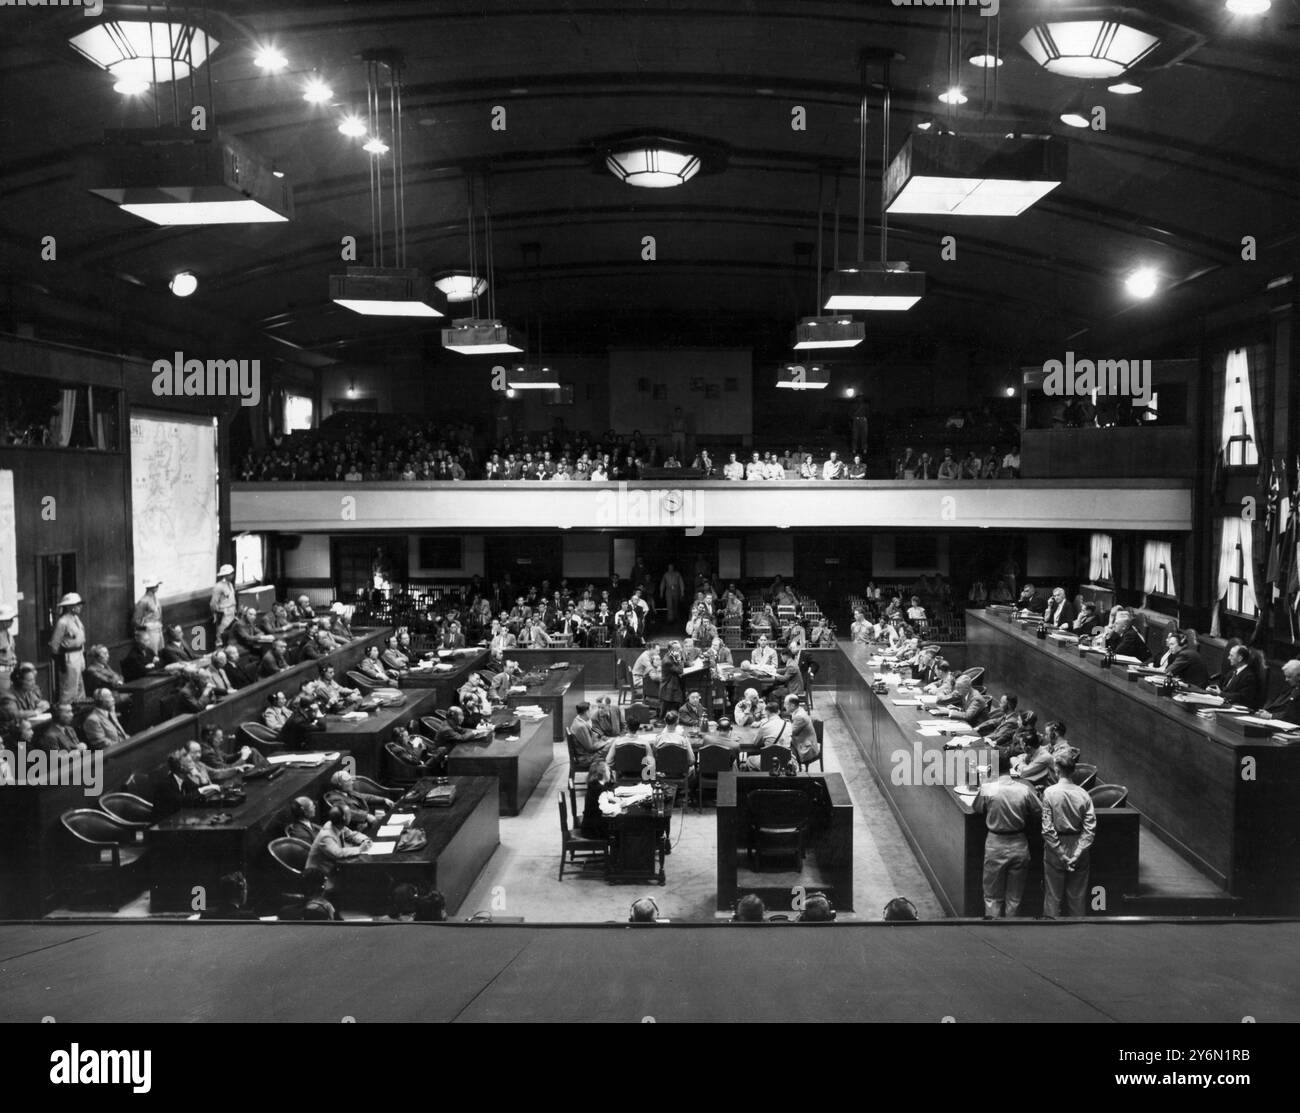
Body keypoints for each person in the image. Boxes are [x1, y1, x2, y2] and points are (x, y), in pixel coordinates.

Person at [972, 763, 1043, 918]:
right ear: (1010, 769)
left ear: (993, 769)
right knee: (1015, 898)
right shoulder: (1024, 790)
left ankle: (993, 933)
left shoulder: (989, 788)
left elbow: (977, 808)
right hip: (1019, 843)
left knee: (992, 897)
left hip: (995, 844)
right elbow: (1039, 811)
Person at [1040, 748, 1096, 918]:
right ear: (1073, 771)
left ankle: (1050, 936)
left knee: (1053, 896)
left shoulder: (1049, 793)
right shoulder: (1084, 795)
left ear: (1056, 770)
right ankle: (1079, 936)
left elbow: (1047, 828)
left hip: (1056, 847)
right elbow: (1090, 828)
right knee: (1078, 897)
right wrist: (1078, 852)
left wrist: (1061, 854)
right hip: (1079, 845)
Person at [305, 805, 374, 879]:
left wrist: (365, 839)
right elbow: (338, 853)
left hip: (332, 867)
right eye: (349, 813)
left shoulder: (337, 825)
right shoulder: (326, 836)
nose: (351, 815)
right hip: (318, 875)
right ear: (344, 817)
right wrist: (360, 849)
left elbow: (353, 834)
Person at [48, 592, 86, 703]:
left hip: (78, 654)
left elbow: (80, 638)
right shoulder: (63, 622)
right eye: (77, 605)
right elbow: (55, 644)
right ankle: (66, 711)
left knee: (79, 686)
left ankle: (79, 710)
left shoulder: (76, 619)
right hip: (68, 656)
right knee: (69, 688)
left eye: (80, 604)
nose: (80, 607)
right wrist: (61, 662)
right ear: (70, 606)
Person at [1208, 643, 1262, 707]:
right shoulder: (1232, 671)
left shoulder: (1249, 676)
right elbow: (1222, 687)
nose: (1228, 658)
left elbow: (1241, 697)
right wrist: (1212, 689)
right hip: (1223, 703)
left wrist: (1221, 694)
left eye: (1231, 655)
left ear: (1240, 658)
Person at [582, 759, 615, 839]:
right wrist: (620, 805)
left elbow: (601, 797)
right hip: (594, 831)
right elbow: (607, 810)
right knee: (620, 829)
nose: (610, 772)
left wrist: (610, 797)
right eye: (608, 770)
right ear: (603, 773)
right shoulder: (600, 789)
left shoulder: (593, 785)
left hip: (588, 826)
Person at [569, 701, 607, 771]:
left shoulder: (578, 719)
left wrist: (598, 738)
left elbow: (590, 736)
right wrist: (604, 743)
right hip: (585, 758)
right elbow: (590, 748)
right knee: (612, 752)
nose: (592, 712)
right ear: (586, 712)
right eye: (591, 710)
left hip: (585, 754)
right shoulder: (581, 726)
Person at [132, 577, 165, 653]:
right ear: (150, 587)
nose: (157, 587)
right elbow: (136, 619)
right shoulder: (143, 601)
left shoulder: (155, 598)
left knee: (160, 651)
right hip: (150, 631)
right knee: (153, 652)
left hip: (158, 628)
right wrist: (146, 628)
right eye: (156, 585)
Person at [785, 694, 819, 764]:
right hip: (802, 742)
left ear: (792, 706)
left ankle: (792, 770)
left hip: (807, 749)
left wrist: (782, 725)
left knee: (782, 750)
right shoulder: (799, 710)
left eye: (786, 704)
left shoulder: (799, 716)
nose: (784, 706)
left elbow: (791, 732)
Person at [210, 564, 237, 641]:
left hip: (232, 612)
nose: (232, 575)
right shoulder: (218, 586)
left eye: (232, 573)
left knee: (231, 633)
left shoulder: (230, 584)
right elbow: (213, 603)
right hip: (223, 613)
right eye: (230, 574)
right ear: (225, 575)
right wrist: (214, 613)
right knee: (221, 632)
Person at [658, 641, 685, 717]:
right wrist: (680, 659)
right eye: (678, 649)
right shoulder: (667, 661)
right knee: (670, 707)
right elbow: (680, 670)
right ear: (671, 650)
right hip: (668, 687)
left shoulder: (671, 656)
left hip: (673, 684)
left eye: (680, 648)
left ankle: (673, 719)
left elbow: (681, 664)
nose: (680, 650)